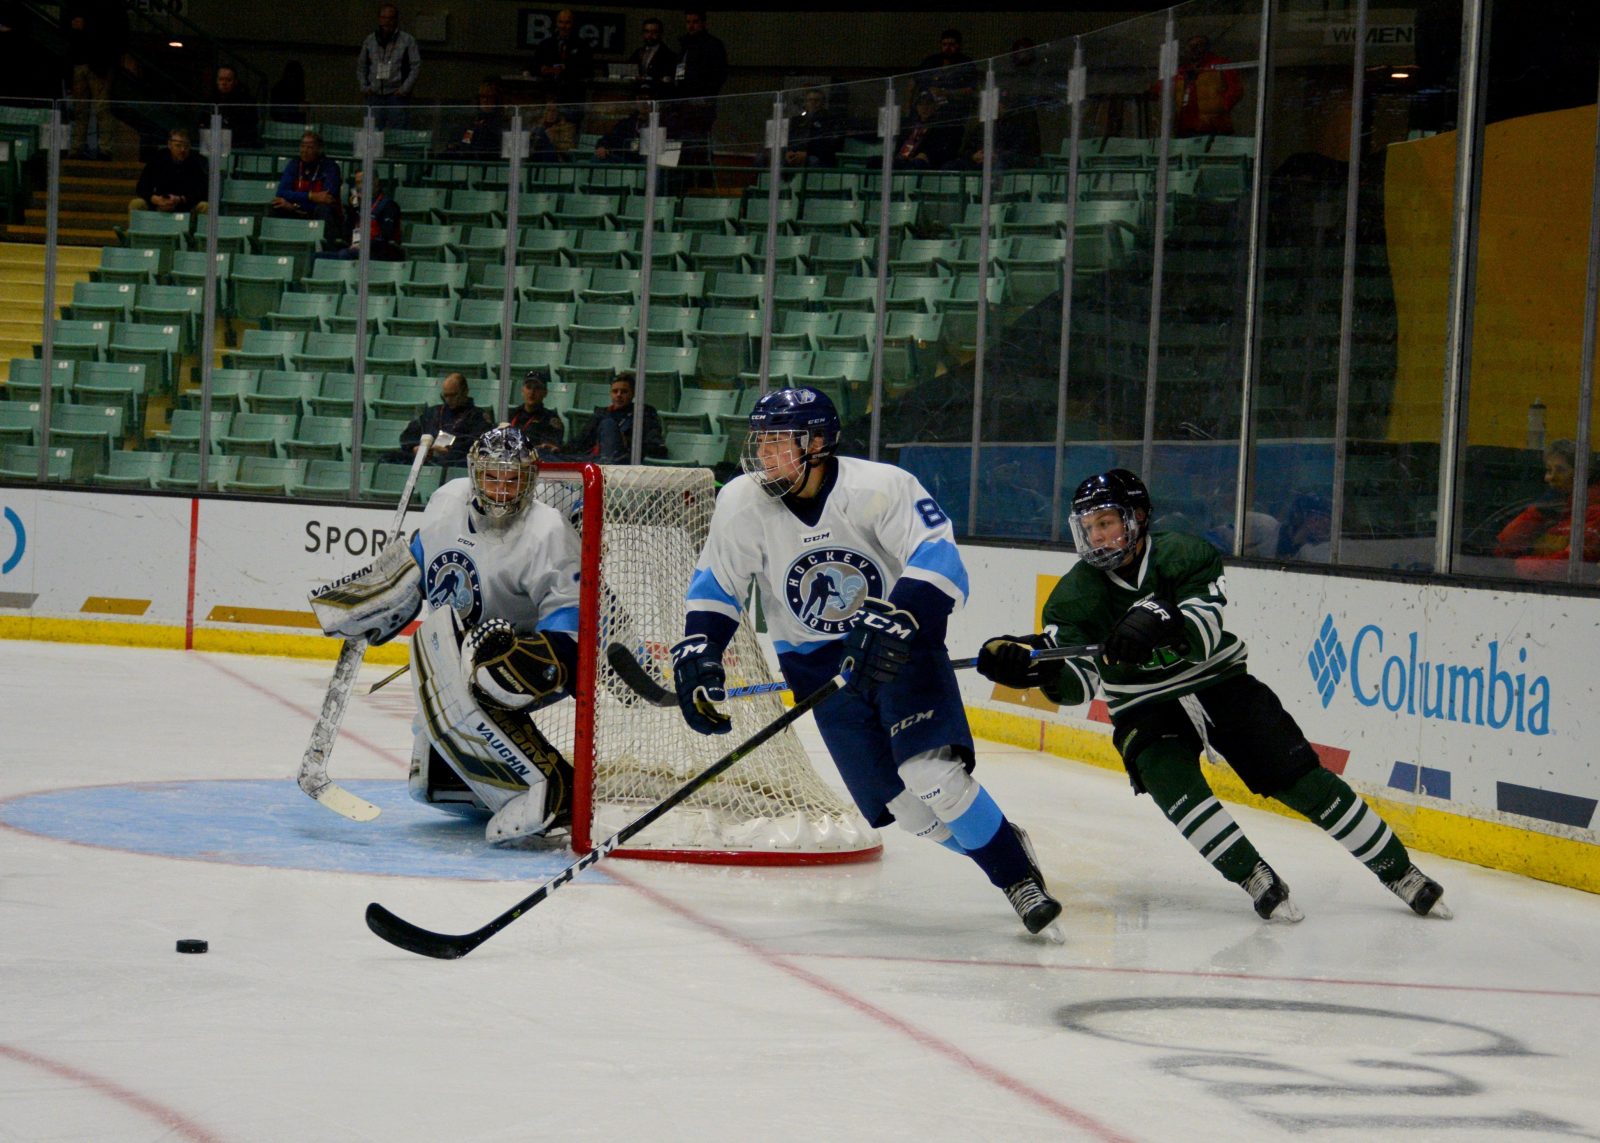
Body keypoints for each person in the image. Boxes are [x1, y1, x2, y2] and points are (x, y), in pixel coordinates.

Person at [671, 387, 1064, 939]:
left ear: (817, 444)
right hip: (815, 668)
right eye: (761, 442)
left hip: (899, 644)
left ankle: (1018, 880)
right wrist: (700, 649)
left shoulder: (879, 487)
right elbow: (718, 583)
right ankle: (1002, 842)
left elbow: (939, 556)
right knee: (908, 811)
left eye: (778, 443)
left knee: (932, 776)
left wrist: (897, 617)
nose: (764, 455)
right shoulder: (742, 501)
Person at [976, 469, 1453, 923]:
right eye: (1088, 526)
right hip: (1144, 706)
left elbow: (1204, 633)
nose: (1096, 536)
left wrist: (1163, 622)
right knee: (1170, 783)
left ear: (1137, 519)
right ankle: (1254, 876)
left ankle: (1401, 872)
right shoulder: (1073, 595)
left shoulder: (1184, 554)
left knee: (1300, 778)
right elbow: (1079, 685)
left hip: (1219, 681)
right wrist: (1036, 667)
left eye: (1106, 523)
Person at [311, 426, 583, 846]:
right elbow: (420, 565)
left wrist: (540, 657)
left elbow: (569, 622)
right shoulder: (447, 502)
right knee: (432, 780)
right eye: (493, 477)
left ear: (530, 480)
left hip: (525, 660)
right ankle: (492, 783)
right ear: (475, 475)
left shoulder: (548, 531)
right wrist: (377, 598)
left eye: (513, 479)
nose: (502, 489)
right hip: (457, 649)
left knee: (486, 676)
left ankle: (555, 789)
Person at [1494, 439, 1600, 580]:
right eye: (1549, 470)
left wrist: (1515, 566)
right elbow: (1505, 545)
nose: (1550, 478)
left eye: (1561, 470)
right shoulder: (1553, 510)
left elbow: (1569, 566)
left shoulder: (1595, 514)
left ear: (1583, 475)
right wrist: (1538, 513)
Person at [669, 9, 729, 179]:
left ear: (703, 23)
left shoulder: (713, 45)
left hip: (701, 108)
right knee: (682, 149)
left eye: (695, 22)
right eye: (688, 22)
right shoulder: (684, 45)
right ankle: (683, 183)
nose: (691, 26)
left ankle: (701, 185)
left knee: (697, 148)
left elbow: (719, 74)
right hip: (682, 107)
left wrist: (705, 97)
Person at [64, 0, 128, 160]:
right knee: (95, 109)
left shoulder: (98, 9)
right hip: (96, 60)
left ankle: (83, 147)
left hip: (93, 61)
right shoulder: (110, 8)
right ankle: (100, 148)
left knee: (94, 109)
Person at [393, 372, 492, 467]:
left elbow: (477, 445)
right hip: (428, 459)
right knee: (390, 457)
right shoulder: (433, 413)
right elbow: (407, 436)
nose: (448, 400)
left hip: (454, 462)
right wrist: (414, 448)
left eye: (453, 395)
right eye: (445, 396)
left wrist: (449, 451)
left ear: (465, 392)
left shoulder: (477, 416)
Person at [571, 373, 666, 463]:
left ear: (633, 394)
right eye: (615, 391)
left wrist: (627, 441)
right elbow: (581, 440)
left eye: (624, 392)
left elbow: (655, 446)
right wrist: (558, 449)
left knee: (608, 424)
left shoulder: (643, 413)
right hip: (592, 459)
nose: (618, 395)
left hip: (620, 462)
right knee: (556, 458)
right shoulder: (601, 414)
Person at [357, 3, 421, 131]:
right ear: (379, 19)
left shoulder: (408, 40)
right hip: (374, 95)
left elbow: (415, 66)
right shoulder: (370, 40)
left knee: (398, 134)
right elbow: (361, 65)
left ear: (396, 20)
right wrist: (364, 86)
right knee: (372, 134)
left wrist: (404, 89)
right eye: (383, 17)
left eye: (390, 18)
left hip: (397, 96)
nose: (387, 21)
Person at [315, 169, 403, 262]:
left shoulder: (388, 205)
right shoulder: (357, 206)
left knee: (345, 254)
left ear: (376, 181)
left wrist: (364, 245)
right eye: (358, 183)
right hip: (355, 251)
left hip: (379, 253)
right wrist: (354, 209)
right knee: (317, 257)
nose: (360, 186)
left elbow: (386, 236)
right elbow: (346, 235)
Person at [527, 7, 592, 129]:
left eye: (567, 22)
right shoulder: (546, 44)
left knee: (569, 138)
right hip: (548, 101)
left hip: (572, 101)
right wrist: (543, 70)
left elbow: (587, 71)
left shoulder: (583, 46)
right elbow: (533, 66)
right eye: (561, 22)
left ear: (573, 24)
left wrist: (565, 71)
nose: (564, 26)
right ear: (556, 23)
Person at [1167, 34, 1244, 137]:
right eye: (1191, 46)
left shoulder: (1219, 64)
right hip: (1184, 129)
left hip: (1213, 129)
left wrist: (1220, 109)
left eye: (1199, 45)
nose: (1194, 49)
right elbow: (1163, 90)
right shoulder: (1181, 70)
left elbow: (1236, 90)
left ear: (1206, 47)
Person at [128, 128, 209, 217]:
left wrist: (180, 199)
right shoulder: (158, 159)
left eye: (186, 146)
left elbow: (201, 192)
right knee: (136, 204)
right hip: (159, 204)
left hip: (185, 206)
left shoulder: (196, 162)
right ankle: (135, 231)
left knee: (205, 206)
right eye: (178, 146)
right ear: (170, 145)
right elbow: (142, 187)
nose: (182, 150)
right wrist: (154, 199)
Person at [271, 131, 342, 225]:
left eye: (310, 147)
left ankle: (322, 239)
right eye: (303, 146)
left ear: (319, 149)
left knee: (324, 208)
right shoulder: (294, 164)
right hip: (295, 209)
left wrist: (297, 204)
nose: (304, 150)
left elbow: (327, 198)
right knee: (277, 205)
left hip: (317, 212)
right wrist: (311, 196)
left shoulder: (331, 167)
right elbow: (281, 192)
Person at [905, 27, 979, 118]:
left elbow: (971, 90)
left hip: (953, 111)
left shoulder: (966, 63)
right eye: (944, 44)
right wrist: (908, 107)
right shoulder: (931, 61)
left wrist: (946, 93)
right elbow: (913, 81)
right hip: (926, 110)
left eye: (951, 45)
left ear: (958, 45)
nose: (947, 48)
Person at [894, 90, 962, 171]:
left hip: (923, 162)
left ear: (935, 106)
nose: (924, 107)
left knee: (916, 163)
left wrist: (927, 155)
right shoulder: (910, 126)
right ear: (916, 107)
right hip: (903, 159)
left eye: (928, 104)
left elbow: (943, 150)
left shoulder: (941, 126)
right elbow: (900, 147)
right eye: (921, 104)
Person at [506, 368, 565, 455]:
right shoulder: (512, 414)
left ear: (545, 393)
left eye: (537, 388)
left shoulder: (550, 419)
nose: (532, 392)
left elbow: (547, 449)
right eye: (528, 387)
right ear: (522, 391)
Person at [444, 78, 506, 157]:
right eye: (482, 96)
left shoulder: (501, 121)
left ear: (495, 100)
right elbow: (465, 142)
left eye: (489, 97)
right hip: (470, 161)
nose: (485, 100)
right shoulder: (471, 120)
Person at [783, 89, 841, 169]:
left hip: (818, 157)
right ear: (806, 102)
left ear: (823, 103)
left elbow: (829, 144)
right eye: (810, 100)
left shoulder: (830, 120)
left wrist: (807, 153)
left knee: (812, 161)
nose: (813, 102)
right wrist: (788, 152)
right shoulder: (797, 120)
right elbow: (790, 138)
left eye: (816, 100)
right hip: (795, 154)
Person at [207, 66, 260, 150]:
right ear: (216, 81)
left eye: (228, 80)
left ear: (235, 82)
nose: (224, 83)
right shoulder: (210, 99)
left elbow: (250, 124)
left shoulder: (246, 100)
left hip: (240, 145)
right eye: (221, 79)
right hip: (214, 145)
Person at [628, 15, 677, 98]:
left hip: (658, 96)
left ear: (660, 33)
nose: (650, 35)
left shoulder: (668, 55)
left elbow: (668, 81)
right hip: (637, 95)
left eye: (654, 32)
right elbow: (628, 70)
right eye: (647, 32)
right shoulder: (638, 53)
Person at [269, 60, 308, 125]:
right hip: (283, 124)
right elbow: (276, 112)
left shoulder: (298, 89)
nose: (293, 78)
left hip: (295, 124)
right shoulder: (279, 89)